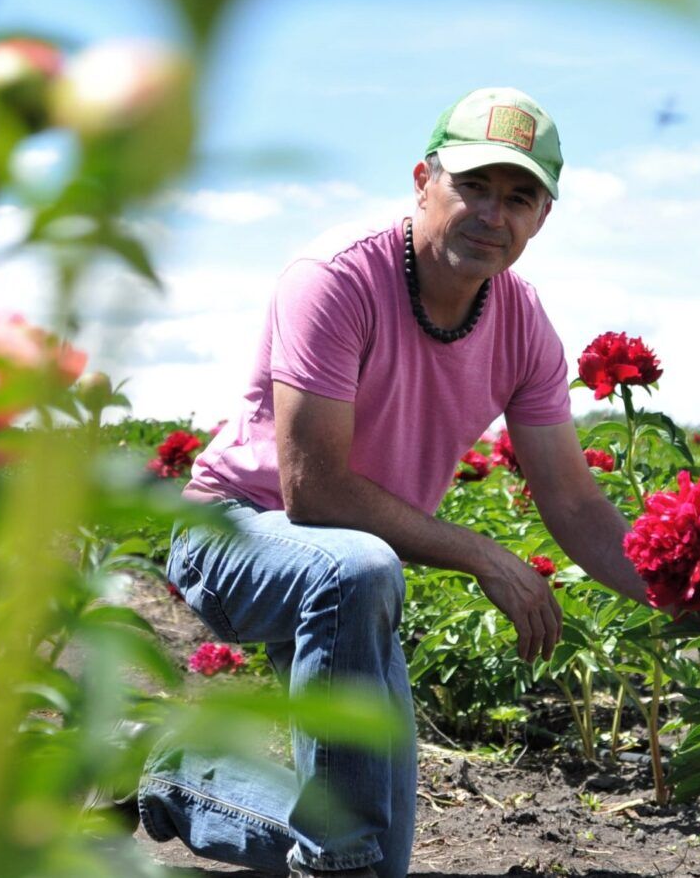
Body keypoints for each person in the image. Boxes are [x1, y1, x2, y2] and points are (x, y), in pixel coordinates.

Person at [134, 87, 662, 878]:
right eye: (473, 185)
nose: (493, 213)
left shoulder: (522, 324)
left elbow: (574, 500)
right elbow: (314, 490)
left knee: (375, 857)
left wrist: (687, 591)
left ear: (543, 217)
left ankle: (171, 772)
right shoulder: (337, 277)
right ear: (423, 181)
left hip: (348, 576)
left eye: (518, 197)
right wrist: (483, 553)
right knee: (357, 566)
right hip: (235, 531)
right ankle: (330, 856)